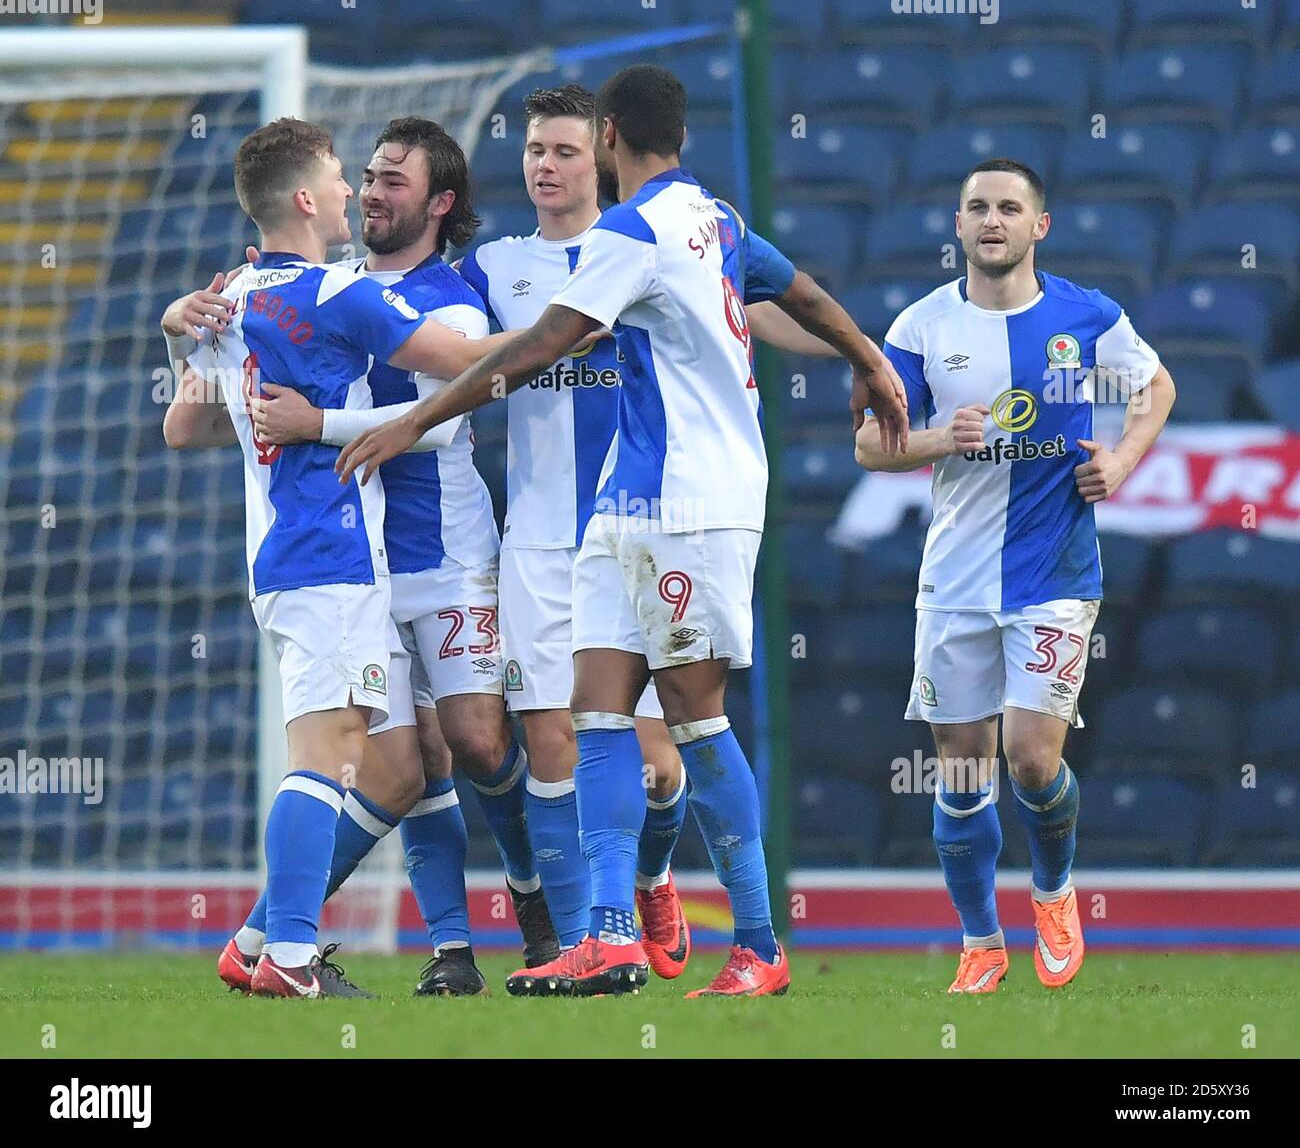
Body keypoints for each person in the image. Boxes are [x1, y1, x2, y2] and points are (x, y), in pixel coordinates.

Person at [335, 65, 908, 998]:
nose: (549, 164)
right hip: (620, 509)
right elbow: (798, 286)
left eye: (569, 144)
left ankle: (758, 944)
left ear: (607, 140)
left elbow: (534, 348)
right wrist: (869, 357)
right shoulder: (712, 217)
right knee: (593, 715)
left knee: (690, 722)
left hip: (690, 501)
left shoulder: (632, 233)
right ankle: (604, 933)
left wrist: (408, 419)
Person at [161, 117, 530, 997]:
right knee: (324, 759)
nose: (349, 193)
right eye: (337, 176)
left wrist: (178, 331)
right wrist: (577, 326)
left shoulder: (232, 295)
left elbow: (185, 426)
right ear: (302, 199)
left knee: (387, 764)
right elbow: (466, 359)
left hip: (281, 554)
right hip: (332, 554)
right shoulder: (337, 294)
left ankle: (262, 946)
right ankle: (287, 958)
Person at [854, 158, 1176, 994]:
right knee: (963, 772)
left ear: (1040, 226)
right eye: (975, 208)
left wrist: (1123, 457)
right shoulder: (922, 327)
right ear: (957, 227)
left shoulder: (1085, 318)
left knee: (1031, 760)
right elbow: (867, 443)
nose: (990, 220)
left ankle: (1056, 891)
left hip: (1056, 572)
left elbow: (1156, 384)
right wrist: (937, 439)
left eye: (1008, 207)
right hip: (955, 580)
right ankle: (980, 940)